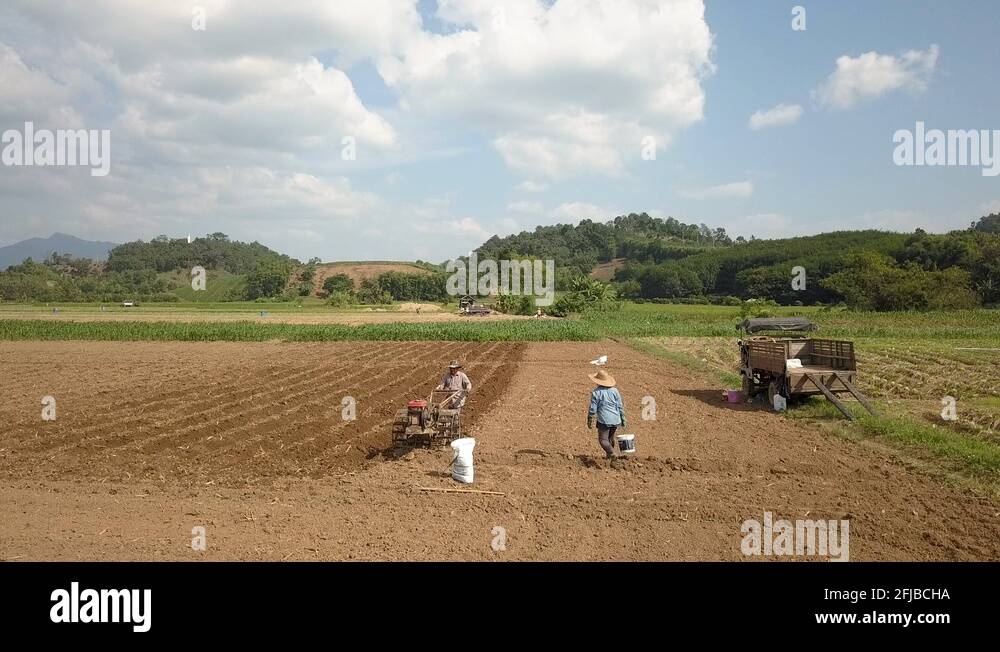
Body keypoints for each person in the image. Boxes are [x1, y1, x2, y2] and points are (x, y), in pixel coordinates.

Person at [587, 369, 626, 465]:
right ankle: (610, 458)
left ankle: (612, 453)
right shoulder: (615, 391)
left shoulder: (596, 392)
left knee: (603, 440)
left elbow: (593, 408)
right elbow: (620, 405)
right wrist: (623, 417)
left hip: (604, 420)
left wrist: (590, 418)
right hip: (616, 419)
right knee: (610, 438)